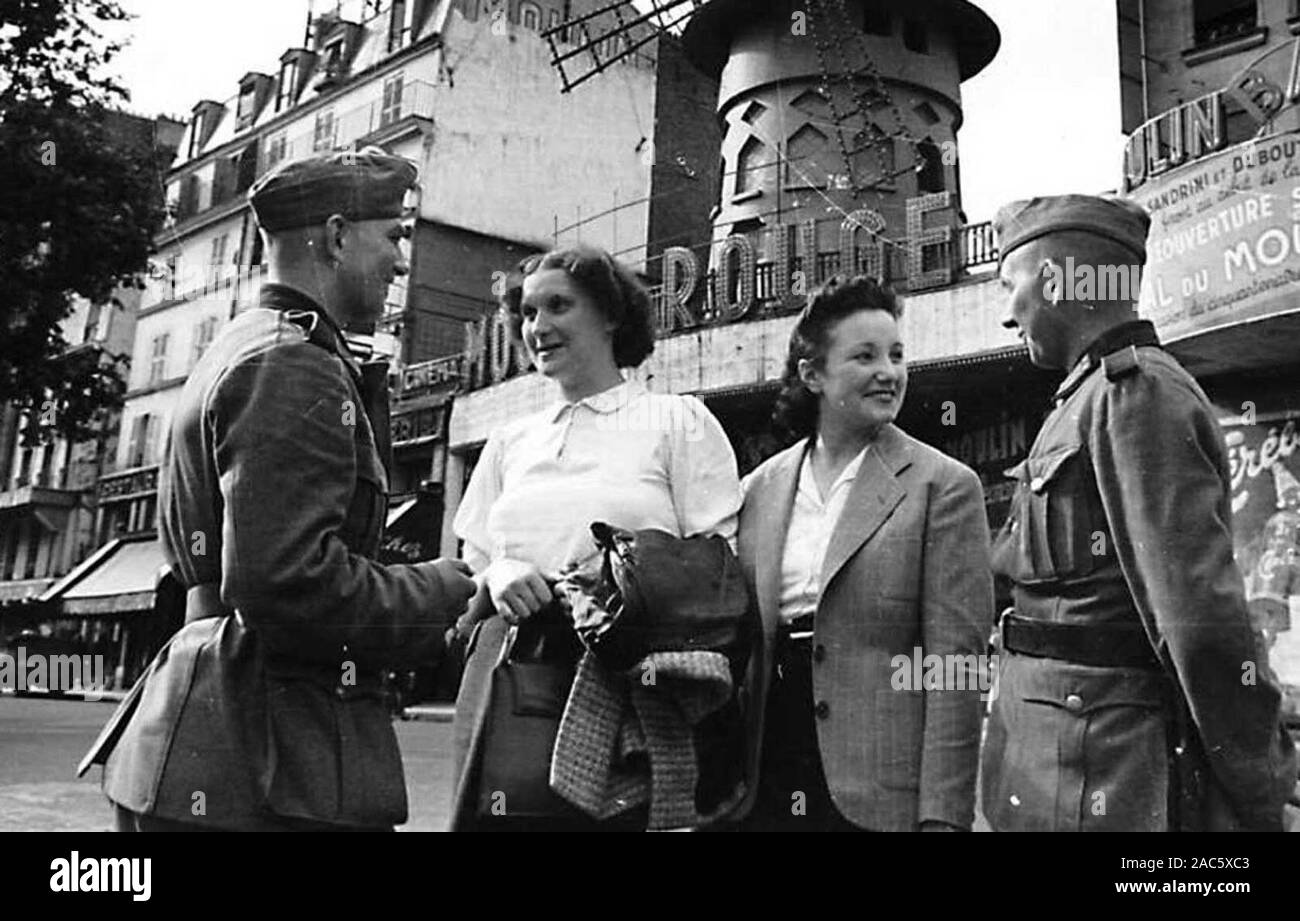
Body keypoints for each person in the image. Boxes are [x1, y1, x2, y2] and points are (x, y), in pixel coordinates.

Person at [79, 147, 478, 831]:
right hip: (270, 752)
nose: (402, 261)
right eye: (394, 236)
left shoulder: (245, 344)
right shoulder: (293, 362)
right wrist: (444, 588)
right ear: (336, 236)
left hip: (213, 725)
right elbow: (287, 582)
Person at [982, 193, 1297, 832]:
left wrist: (1262, 786)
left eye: (1010, 287)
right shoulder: (1086, 398)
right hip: (1064, 763)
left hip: (1108, 774)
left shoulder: (1137, 396)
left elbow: (1200, 625)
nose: (1007, 316)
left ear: (1056, 282)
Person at [447, 244, 742, 831]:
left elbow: (718, 566)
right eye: (528, 313)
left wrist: (621, 580)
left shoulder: (677, 421)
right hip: (509, 672)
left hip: (624, 680)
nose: (538, 327)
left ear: (610, 314)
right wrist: (499, 572)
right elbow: (470, 564)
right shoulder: (511, 441)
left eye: (559, 306)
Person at [728, 275, 995, 832]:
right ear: (813, 375)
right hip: (766, 776)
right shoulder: (759, 489)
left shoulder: (943, 486)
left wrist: (943, 816)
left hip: (879, 788)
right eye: (865, 356)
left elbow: (956, 667)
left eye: (897, 355)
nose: (889, 372)